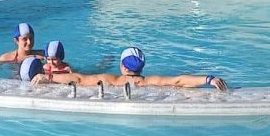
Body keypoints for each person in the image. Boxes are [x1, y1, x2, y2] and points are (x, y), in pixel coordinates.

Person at [31, 47, 229, 91]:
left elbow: (79, 79)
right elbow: (178, 80)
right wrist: (208, 79)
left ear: (122, 67)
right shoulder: (147, 81)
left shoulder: (112, 79)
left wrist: (48, 77)